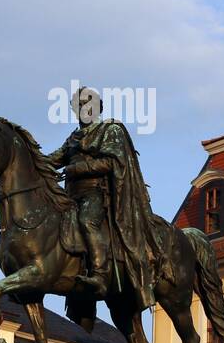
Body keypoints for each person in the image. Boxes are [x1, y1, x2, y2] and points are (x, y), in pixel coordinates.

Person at [46, 87, 160, 308]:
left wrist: (77, 168)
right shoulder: (73, 137)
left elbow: (114, 163)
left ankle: (99, 273)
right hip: (72, 196)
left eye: (87, 104)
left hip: (97, 193)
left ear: (97, 108)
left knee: (86, 220)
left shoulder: (109, 130)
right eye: (78, 105)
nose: (82, 109)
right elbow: (53, 160)